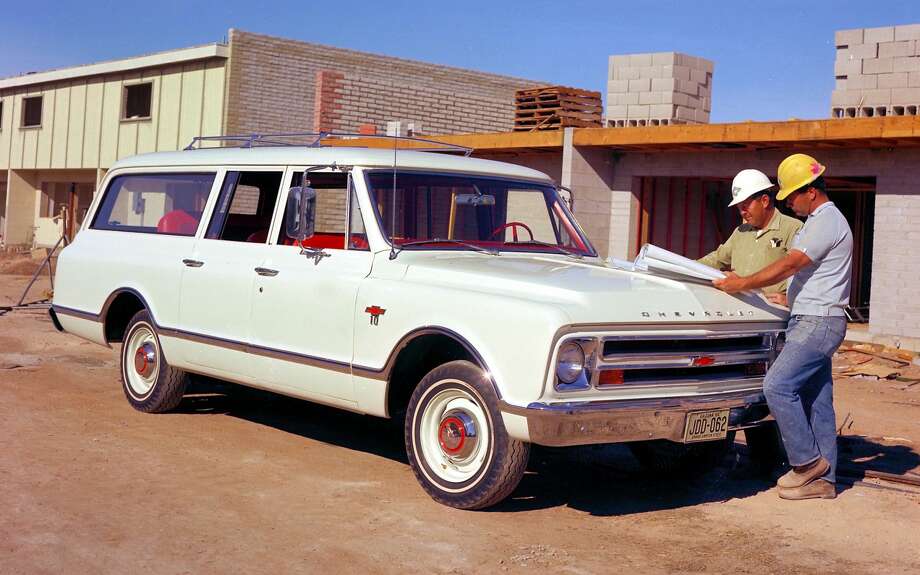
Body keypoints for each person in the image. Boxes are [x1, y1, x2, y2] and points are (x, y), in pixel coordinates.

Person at [713, 153, 852, 500]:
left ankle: (806, 463)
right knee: (817, 400)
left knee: (776, 386)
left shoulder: (825, 220)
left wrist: (742, 283)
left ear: (811, 191)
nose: (788, 202)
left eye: (791, 196)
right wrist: (789, 297)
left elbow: (791, 263)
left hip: (817, 322)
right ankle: (824, 482)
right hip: (816, 316)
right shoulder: (822, 221)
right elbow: (815, 275)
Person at [698, 169, 802, 295]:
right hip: (741, 305)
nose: (742, 212)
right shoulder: (740, 231)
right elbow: (717, 259)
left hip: (773, 307)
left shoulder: (793, 228)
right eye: (739, 207)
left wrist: (789, 301)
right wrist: (683, 266)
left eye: (745, 206)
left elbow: (802, 271)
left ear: (764, 201)